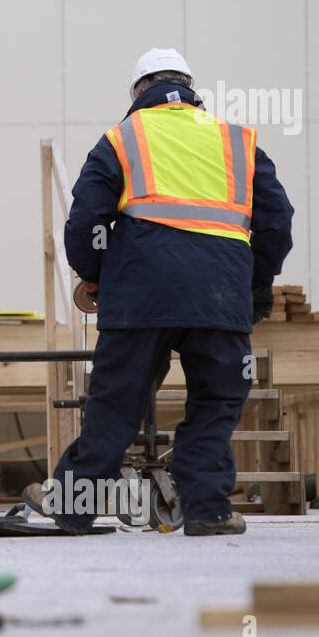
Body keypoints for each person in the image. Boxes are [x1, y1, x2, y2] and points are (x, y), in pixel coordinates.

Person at [25, 48, 294, 536]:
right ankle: (208, 510)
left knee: (116, 405)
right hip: (219, 298)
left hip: (140, 299)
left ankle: (72, 505)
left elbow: (86, 221)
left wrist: (95, 277)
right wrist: (257, 286)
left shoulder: (121, 139)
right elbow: (277, 222)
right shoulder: (238, 142)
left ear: (137, 93)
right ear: (192, 88)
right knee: (215, 405)